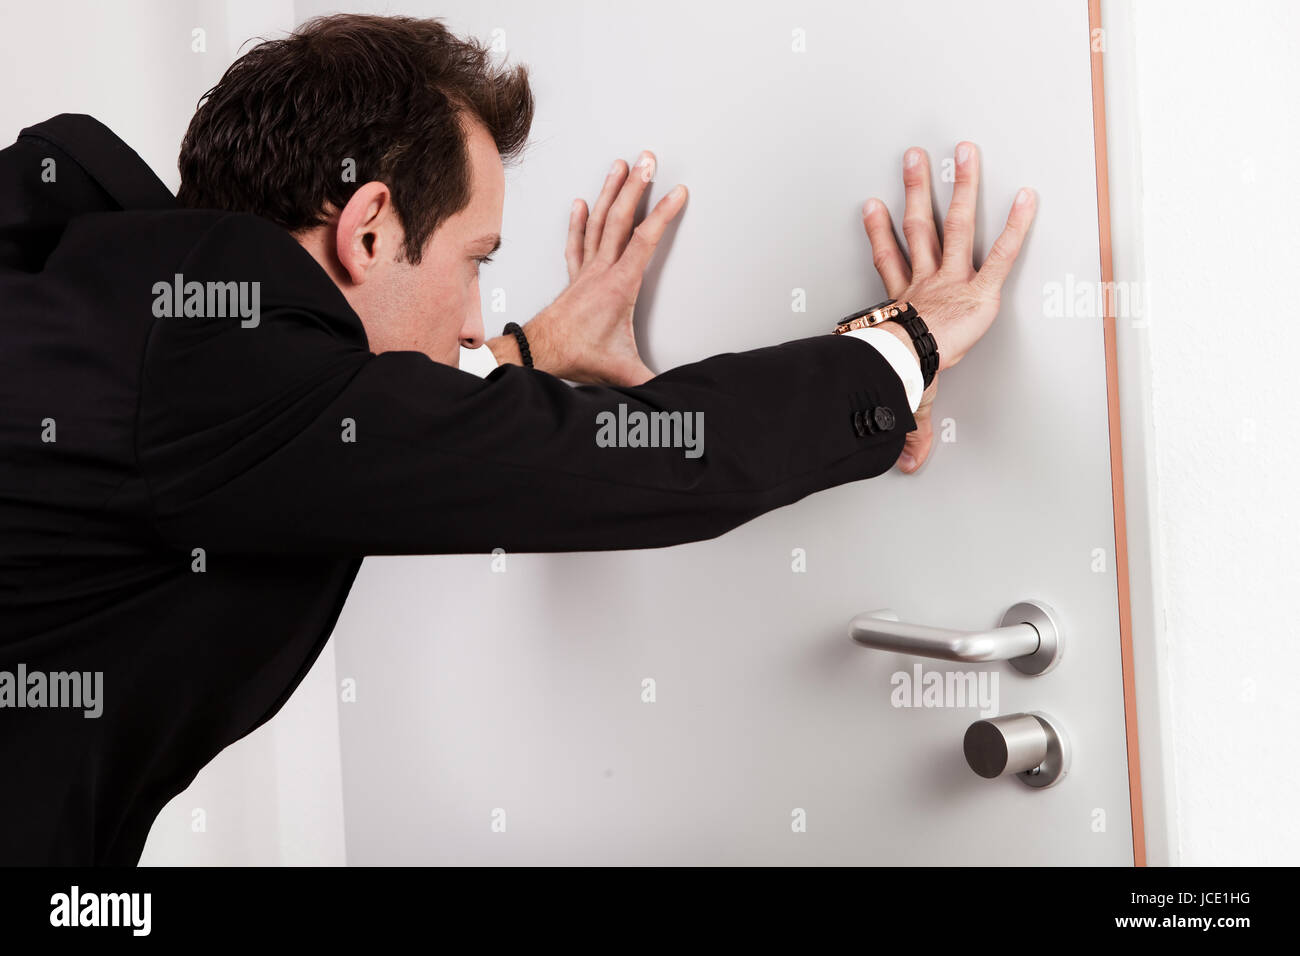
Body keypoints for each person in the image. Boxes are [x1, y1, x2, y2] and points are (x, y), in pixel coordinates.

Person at [0, 14, 1035, 865]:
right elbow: (636, 462)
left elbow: (354, 423)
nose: (469, 314)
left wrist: (524, 351)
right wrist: (904, 344)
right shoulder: (214, 379)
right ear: (368, 230)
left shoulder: (106, 296)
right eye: (474, 257)